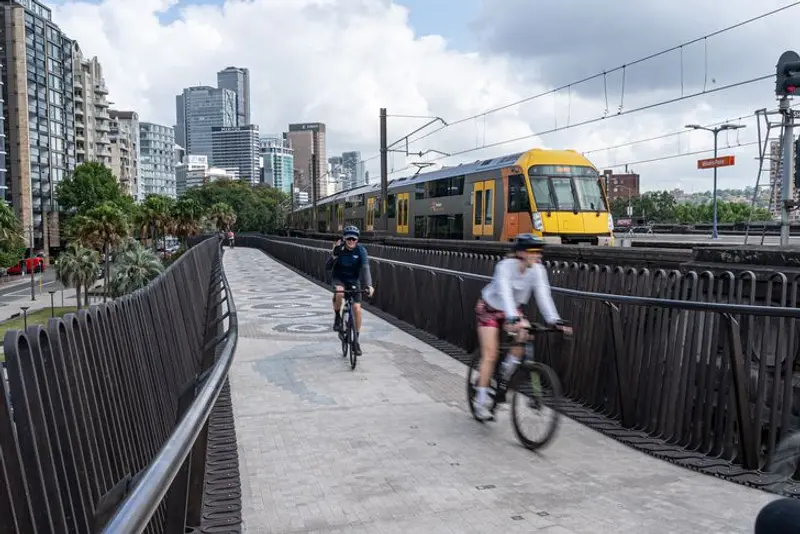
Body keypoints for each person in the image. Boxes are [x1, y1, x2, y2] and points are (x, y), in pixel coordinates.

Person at [472, 233, 572, 421]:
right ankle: (480, 401)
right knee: (490, 354)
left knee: (525, 334)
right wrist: (512, 317)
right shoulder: (504, 267)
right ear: (521, 253)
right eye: (534, 252)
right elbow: (505, 292)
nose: (538, 256)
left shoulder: (538, 270)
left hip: (512, 310)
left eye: (539, 252)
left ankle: (505, 372)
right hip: (490, 307)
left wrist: (555, 320)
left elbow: (543, 294)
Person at [325, 226, 374, 356]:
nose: (351, 241)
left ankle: (356, 341)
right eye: (349, 238)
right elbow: (327, 267)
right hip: (339, 278)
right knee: (340, 292)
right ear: (344, 239)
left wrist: (369, 285)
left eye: (354, 239)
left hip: (353, 281)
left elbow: (365, 269)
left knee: (357, 308)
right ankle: (337, 317)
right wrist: (334, 254)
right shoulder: (339, 249)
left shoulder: (361, 250)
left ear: (357, 239)